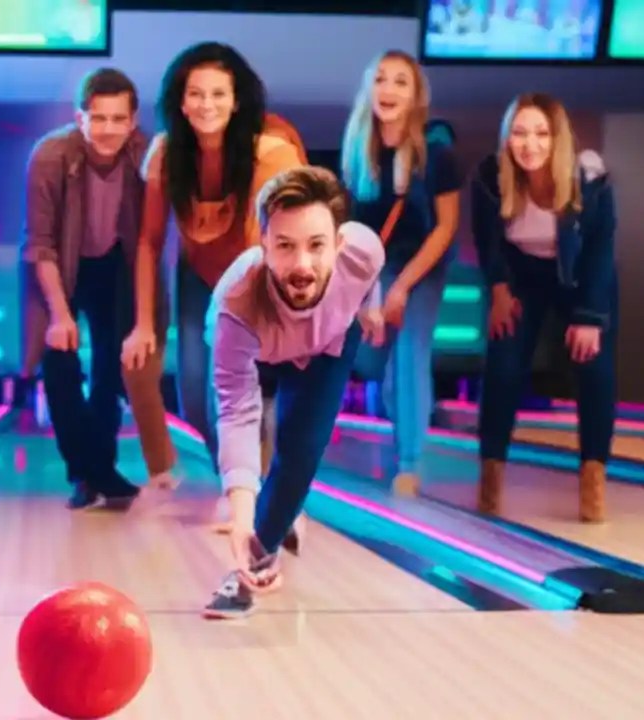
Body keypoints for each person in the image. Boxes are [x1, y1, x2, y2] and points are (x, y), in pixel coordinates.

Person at [120, 42, 306, 496]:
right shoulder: (166, 153)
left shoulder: (268, 153)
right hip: (197, 279)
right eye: (197, 94)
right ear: (181, 102)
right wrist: (144, 324)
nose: (207, 105)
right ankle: (241, 476)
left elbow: (262, 246)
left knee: (225, 392)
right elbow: (148, 242)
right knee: (195, 400)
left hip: (253, 277)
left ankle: (251, 493)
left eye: (219, 94)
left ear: (236, 99)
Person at [201, 166, 386, 619]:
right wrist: (239, 518)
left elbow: (367, 282)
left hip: (328, 345)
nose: (302, 265)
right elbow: (237, 413)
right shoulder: (236, 306)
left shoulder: (364, 251)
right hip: (263, 340)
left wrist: (372, 309)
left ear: (339, 245)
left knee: (300, 449)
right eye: (285, 246)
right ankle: (257, 535)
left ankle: (254, 565)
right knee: (251, 426)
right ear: (263, 245)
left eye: (317, 245)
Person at [20, 67, 177, 510]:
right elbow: (40, 244)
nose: (108, 129)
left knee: (111, 370)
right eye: (98, 118)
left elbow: (152, 235)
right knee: (60, 367)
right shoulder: (50, 156)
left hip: (114, 266)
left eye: (118, 119)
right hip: (58, 266)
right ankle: (85, 475)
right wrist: (59, 314)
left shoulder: (145, 155)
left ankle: (100, 471)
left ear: (133, 122)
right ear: (80, 117)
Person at [470, 92, 617, 523]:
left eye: (540, 133)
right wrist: (498, 291)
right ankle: (490, 482)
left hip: (579, 278)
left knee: (596, 370)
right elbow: (488, 242)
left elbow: (601, 253)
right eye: (519, 133)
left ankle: (593, 484)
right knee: (503, 365)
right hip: (521, 277)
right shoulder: (489, 178)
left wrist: (590, 317)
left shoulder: (589, 181)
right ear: (507, 138)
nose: (529, 144)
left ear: (557, 140)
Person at [340, 50, 461, 497]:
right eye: (381, 80)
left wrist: (403, 287)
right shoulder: (358, 149)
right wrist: (369, 292)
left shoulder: (437, 154)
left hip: (422, 266)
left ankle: (409, 462)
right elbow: (353, 229)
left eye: (400, 82)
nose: (388, 90)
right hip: (373, 266)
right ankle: (401, 425)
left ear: (415, 97)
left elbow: (446, 227)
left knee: (409, 351)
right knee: (373, 360)